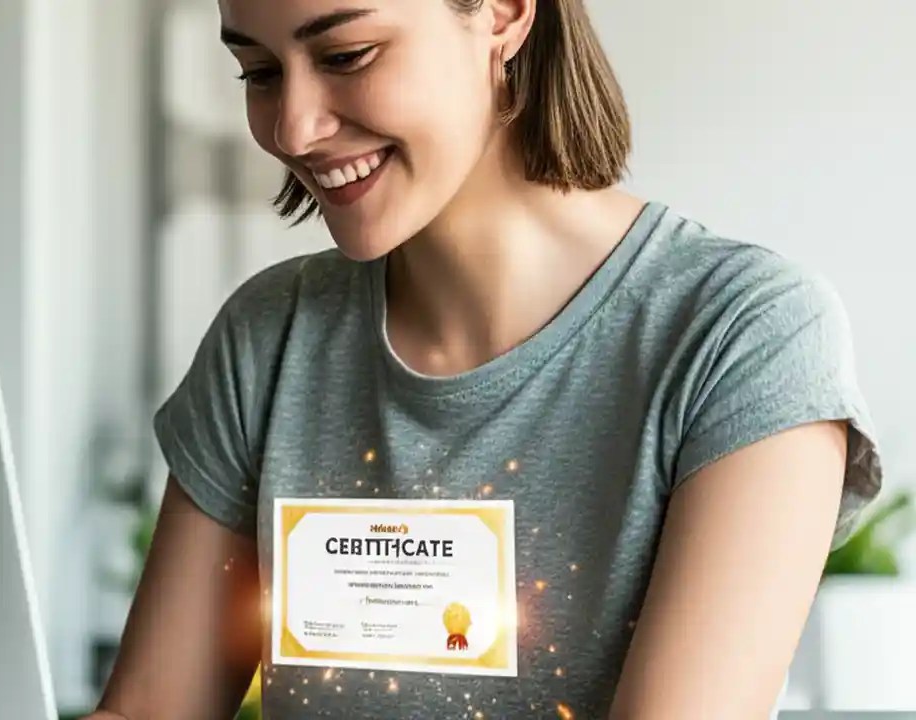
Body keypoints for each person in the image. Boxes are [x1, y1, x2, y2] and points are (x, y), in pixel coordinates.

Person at [88, 0, 883, 718]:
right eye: (258, 72)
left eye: (347, 55)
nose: (292, 129)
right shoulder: (271, 337)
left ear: (502, 13)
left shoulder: (743, 335)